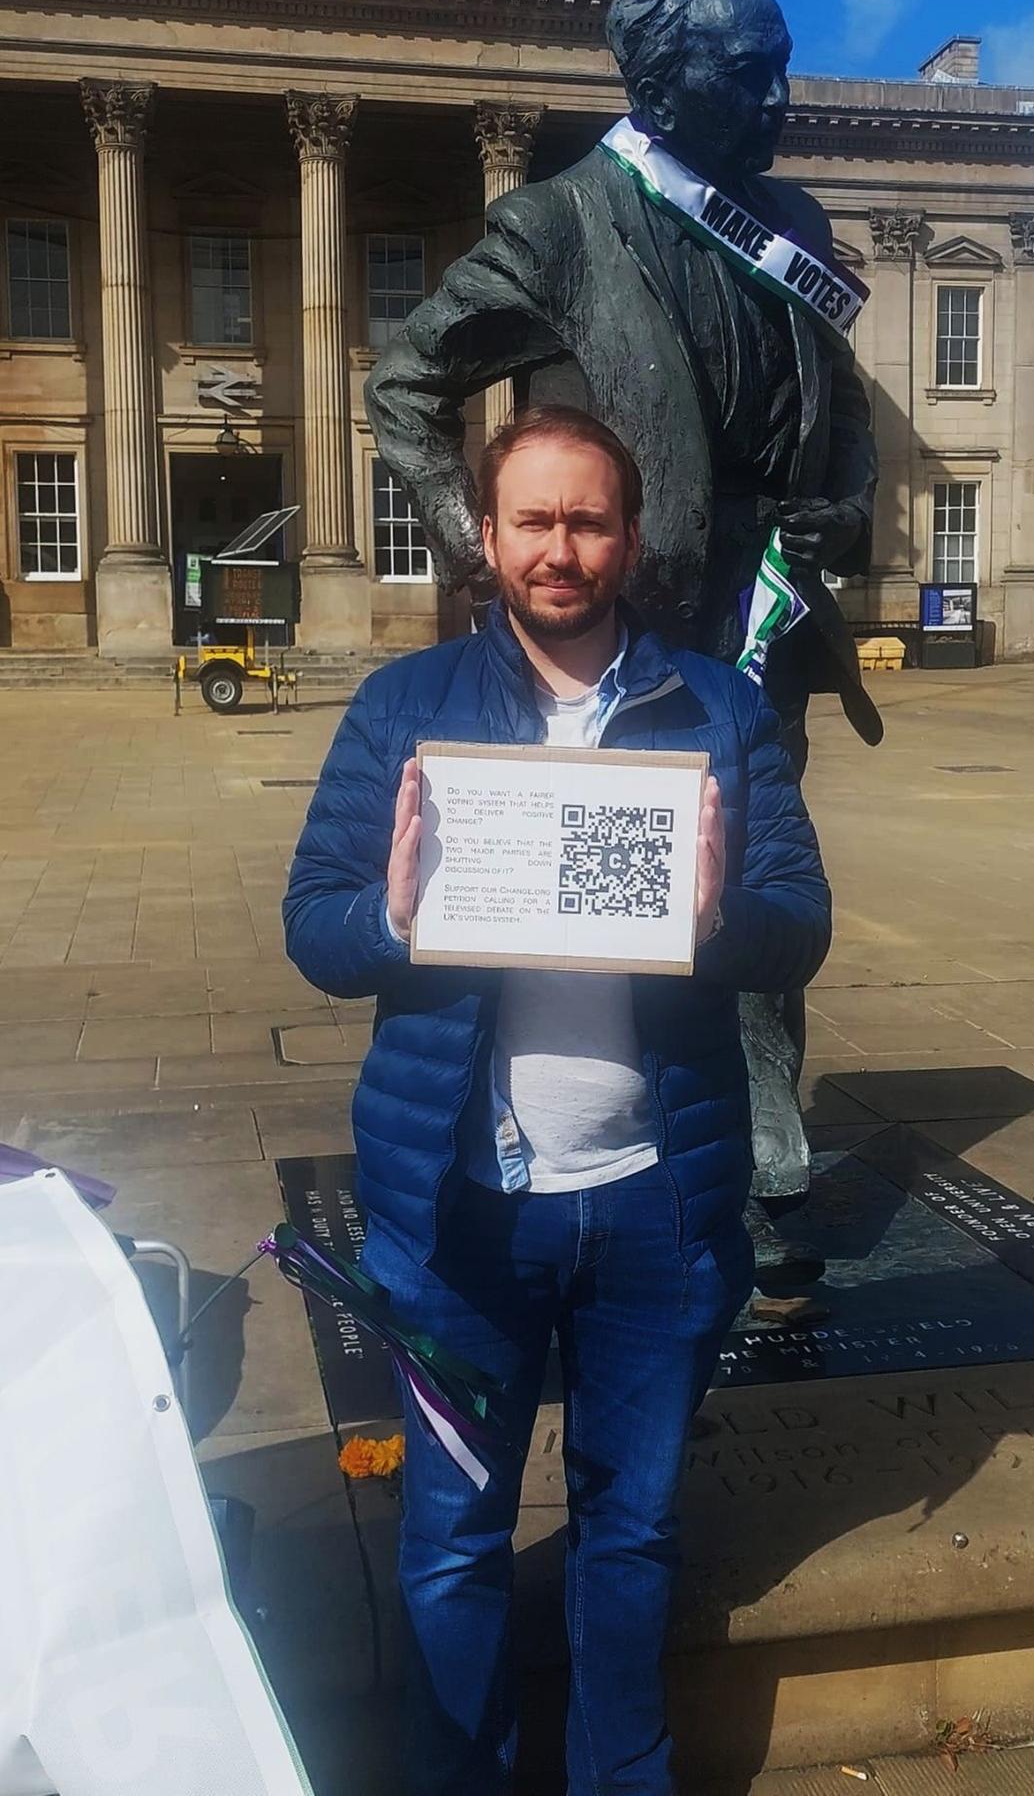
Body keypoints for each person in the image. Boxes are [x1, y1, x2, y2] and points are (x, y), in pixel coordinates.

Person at [283, 406, 831, 1796]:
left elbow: (798, 922)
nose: (559, 549)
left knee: (631, 1531)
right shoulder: (403, 710)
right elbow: (315, 929)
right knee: (453, 1537)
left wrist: (715, 920)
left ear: (628, 537)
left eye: (587, 521)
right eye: (532, 521)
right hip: (456, 1216)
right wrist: (393, 918)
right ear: (486, 536)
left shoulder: (713, 705)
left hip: (657, 1203)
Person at [365, 0, 880, 1240]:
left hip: (763, 602)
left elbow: (841, 397)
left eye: (780, 69)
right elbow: (405, 389)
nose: (780, 98)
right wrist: (486, 548)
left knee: (761, 860)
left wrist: (851, 504)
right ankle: (592, 1113)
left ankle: (765, 1113)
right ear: (665, 79)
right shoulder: (562, 225)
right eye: (751, 74)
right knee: (611, 879)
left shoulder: (795, 224)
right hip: (634, 616)